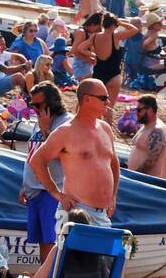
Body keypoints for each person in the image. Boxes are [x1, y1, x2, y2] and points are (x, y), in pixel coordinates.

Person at [28, 79, 119, 230]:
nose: (108, 102)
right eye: (103, 98)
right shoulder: (66, 132)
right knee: (66, 253)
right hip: (76, 211)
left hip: (102, 215)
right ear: (87, 99)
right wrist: (57, 194)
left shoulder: (105, 129)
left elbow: (114, 164)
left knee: (102, 253)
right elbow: (36, 161)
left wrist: (113, 195)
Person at [19, 83, 72, 260]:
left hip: (51, 191)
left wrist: (45, 130)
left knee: (51, 242)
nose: (34, 108)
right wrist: (24, 185)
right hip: (34, 190)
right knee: (42, 241)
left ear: (52, 102)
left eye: (38, 105)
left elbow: (61, 154)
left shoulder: (65, 123)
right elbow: (32, 153)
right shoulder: (41, 119)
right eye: (31, 104)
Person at [88, 12, 141, 101]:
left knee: (94, 104)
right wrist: (121, 22)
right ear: (113, 24)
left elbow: (80, 48)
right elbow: (135, 30)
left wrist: (91, 56)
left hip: (98, 74)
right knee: (110, 106)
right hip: (113, 75)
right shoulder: (116, 36)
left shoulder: (95, 36)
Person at [127, 94, 166, 177]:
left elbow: (151, 161)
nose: (136, 113)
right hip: (140, 179)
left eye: (139, 110)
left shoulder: (158, 130)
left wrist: (133, 175)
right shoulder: (147, 125)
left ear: (150, 110)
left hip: (147, 182)